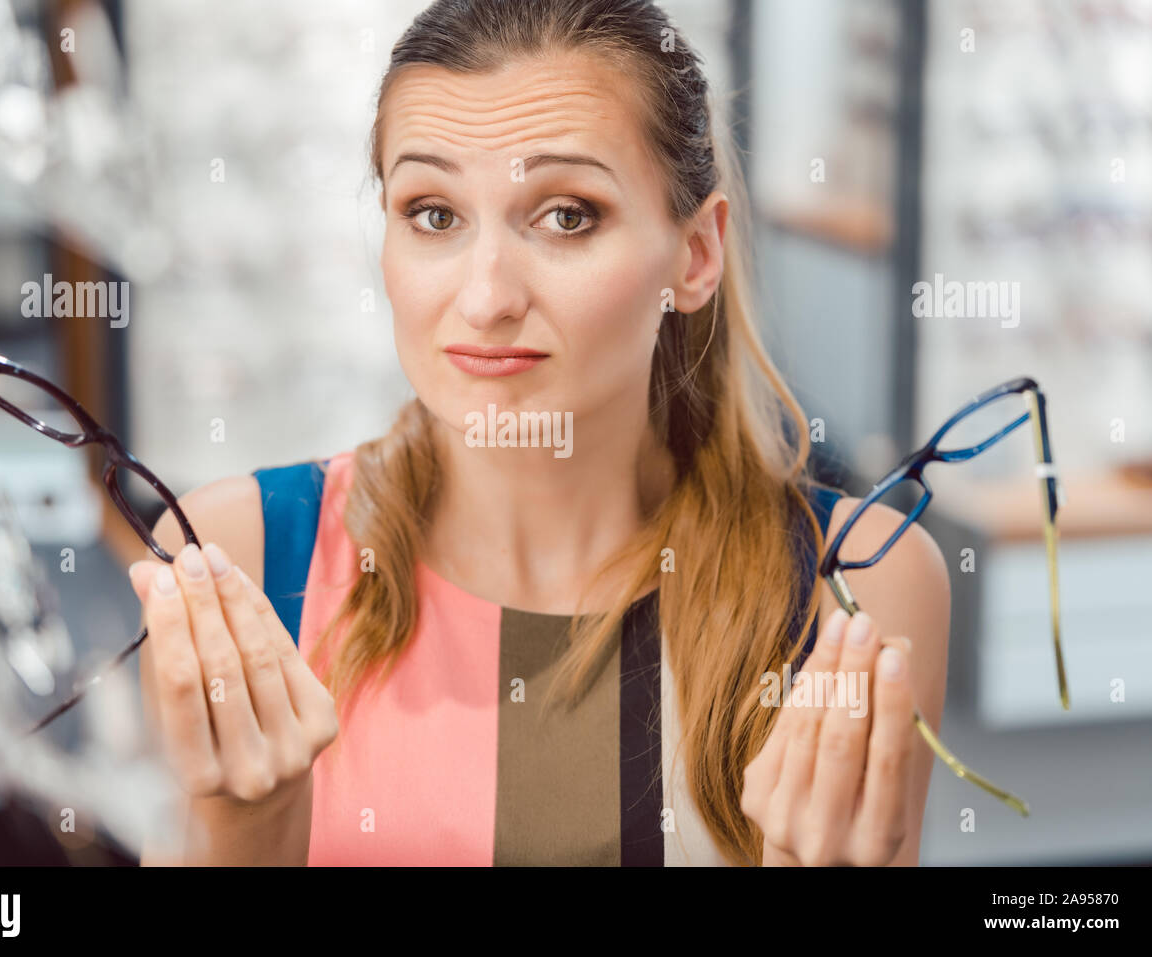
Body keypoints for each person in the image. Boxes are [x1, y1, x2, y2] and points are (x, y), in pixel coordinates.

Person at [126, 0, 950, 867]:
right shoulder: (240, 561)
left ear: (696, 255)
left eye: (566, 215)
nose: (485, 300)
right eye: (434, 214)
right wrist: (243, 834)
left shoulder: (856, 586)